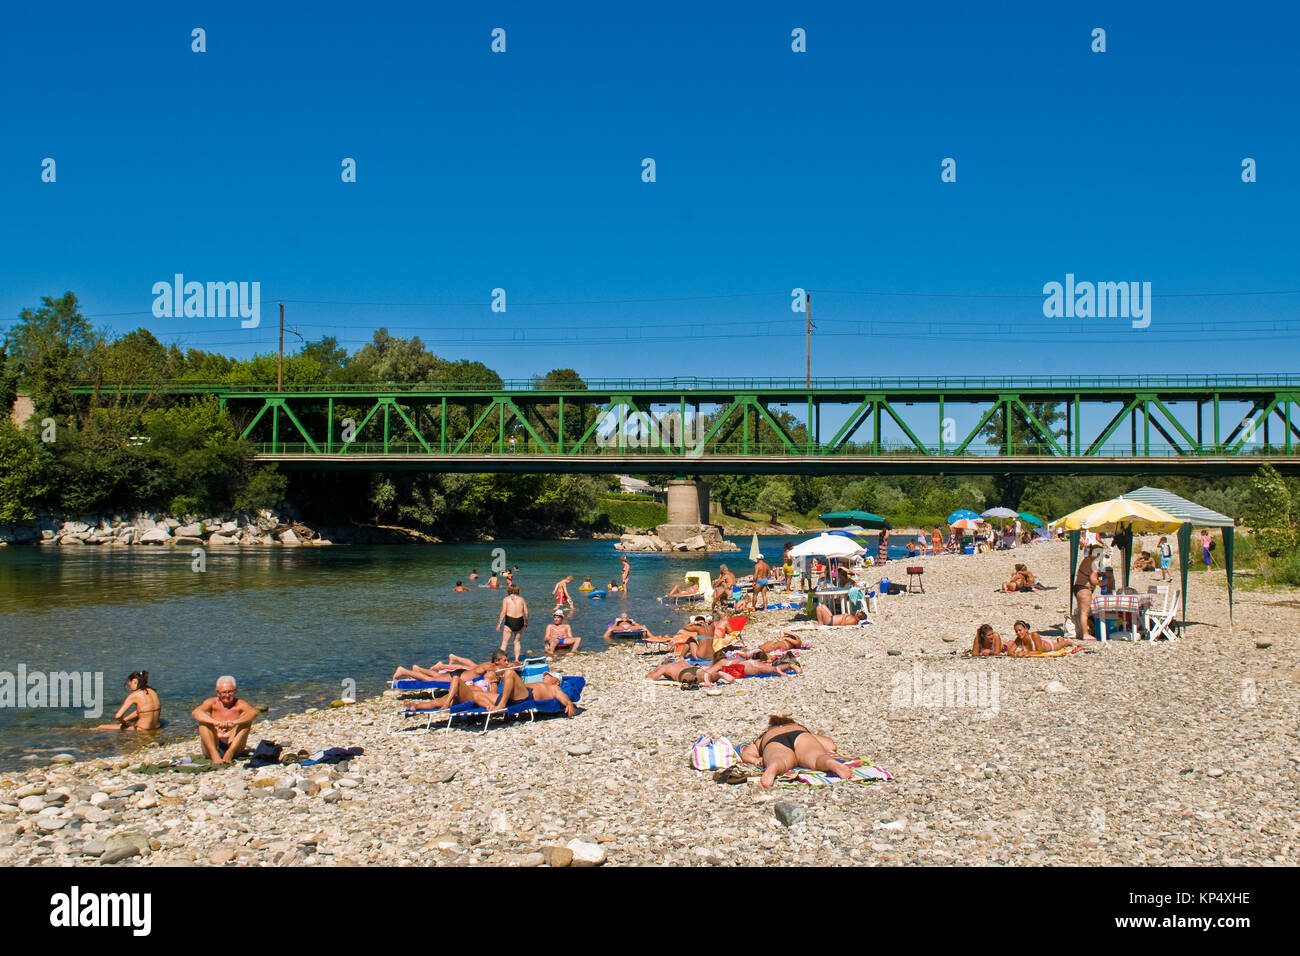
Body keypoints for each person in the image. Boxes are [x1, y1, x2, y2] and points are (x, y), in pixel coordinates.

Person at [738, 715, 854, 787]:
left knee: (779, 760)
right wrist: (812, 737)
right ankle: (829, 762)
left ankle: (773, 766)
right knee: (816, 758)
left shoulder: (764, 735)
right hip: (800, 735)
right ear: (790, 722)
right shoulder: (798, 727)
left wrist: (755, 760)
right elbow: (830, 745)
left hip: (774, 740)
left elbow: (746, 754)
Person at [192, 676, 257, 764]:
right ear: (218, 692)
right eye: (224, 692)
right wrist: (215, 722)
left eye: (230, 692)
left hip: (234, 746)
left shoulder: (239, 704)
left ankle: (229, 753)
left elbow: (253, 713)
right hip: (213, 745)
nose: (227, 695)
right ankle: (215, 755)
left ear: (235, 691)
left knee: (246, 722)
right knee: (203, 722)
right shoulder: (211, 703)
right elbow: (196, 712)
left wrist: (234, 723)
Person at [94, 670, 161, 731]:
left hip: (142, 729)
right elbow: (143, 710)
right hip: (156, 727)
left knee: (101, 727)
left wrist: (123, 723)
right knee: (131, 721)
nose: (130, 688)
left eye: (129, 684)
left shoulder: (134, 695)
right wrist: (126, 719)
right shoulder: (152, 692)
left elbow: (118, 716)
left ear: (134, 681)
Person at [494, 668, 576, 717]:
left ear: (557, 682)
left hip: (525, 696)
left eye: (549, 675)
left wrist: (568, 703)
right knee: (481, 693)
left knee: (510, 672)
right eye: (545, 675)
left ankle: (502, 704)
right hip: (513, 695)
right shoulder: (539, 684)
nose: (545, 676)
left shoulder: (554, 688)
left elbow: (562, 696)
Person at [1073, 546, 1102, 640]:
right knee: (1084, 612)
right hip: (1084, 588)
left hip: (1078, 587)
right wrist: (1103, 582)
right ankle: (1085, 634)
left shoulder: (1086, 560)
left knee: (1081, 612)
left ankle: (1081, 632)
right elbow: (1093, 580)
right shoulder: (1092, 563)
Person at [497, 584, 528, 660]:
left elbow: (503, 612)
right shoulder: (522, 599)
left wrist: (499, 623)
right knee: (517, 642)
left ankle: (501, 659)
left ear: (509, 590)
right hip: (519, 621)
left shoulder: (506, 599)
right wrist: (526, 622)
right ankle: (516, 659)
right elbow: (526, 612)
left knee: (504, 642)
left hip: (510, 621)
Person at [1009, 620, 1073, 655]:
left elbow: (1039, 651)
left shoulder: (1034, 635)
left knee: (1061, 645)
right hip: (1040, 642)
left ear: (1026, 629)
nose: (1018, 633)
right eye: (1016, 631)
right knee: (1060, 644)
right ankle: (1060, 639)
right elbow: (1010, 652)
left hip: (1049, 645)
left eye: (1020, 630)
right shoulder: (1019, 639)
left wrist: (1025, 652)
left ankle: (1065, 641)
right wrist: (1015, 654)